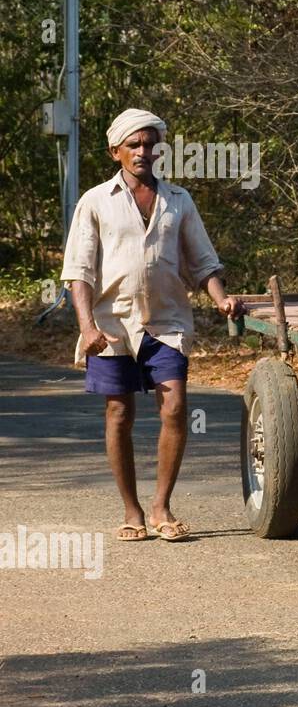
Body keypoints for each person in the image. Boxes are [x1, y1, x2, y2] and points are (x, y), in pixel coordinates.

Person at [60, 108, 244, 542]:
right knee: (120, 412)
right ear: (115, 151)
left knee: (175, 408)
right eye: (133, 145)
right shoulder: (95, 202)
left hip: (167, 322)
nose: (143, 151)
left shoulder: (177, 200)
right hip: (111, 324)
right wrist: (87, 328)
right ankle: (132, 510)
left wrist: (221, 298)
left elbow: (202, 260)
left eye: (149, 143)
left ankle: (162, 506)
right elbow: (79, 272)